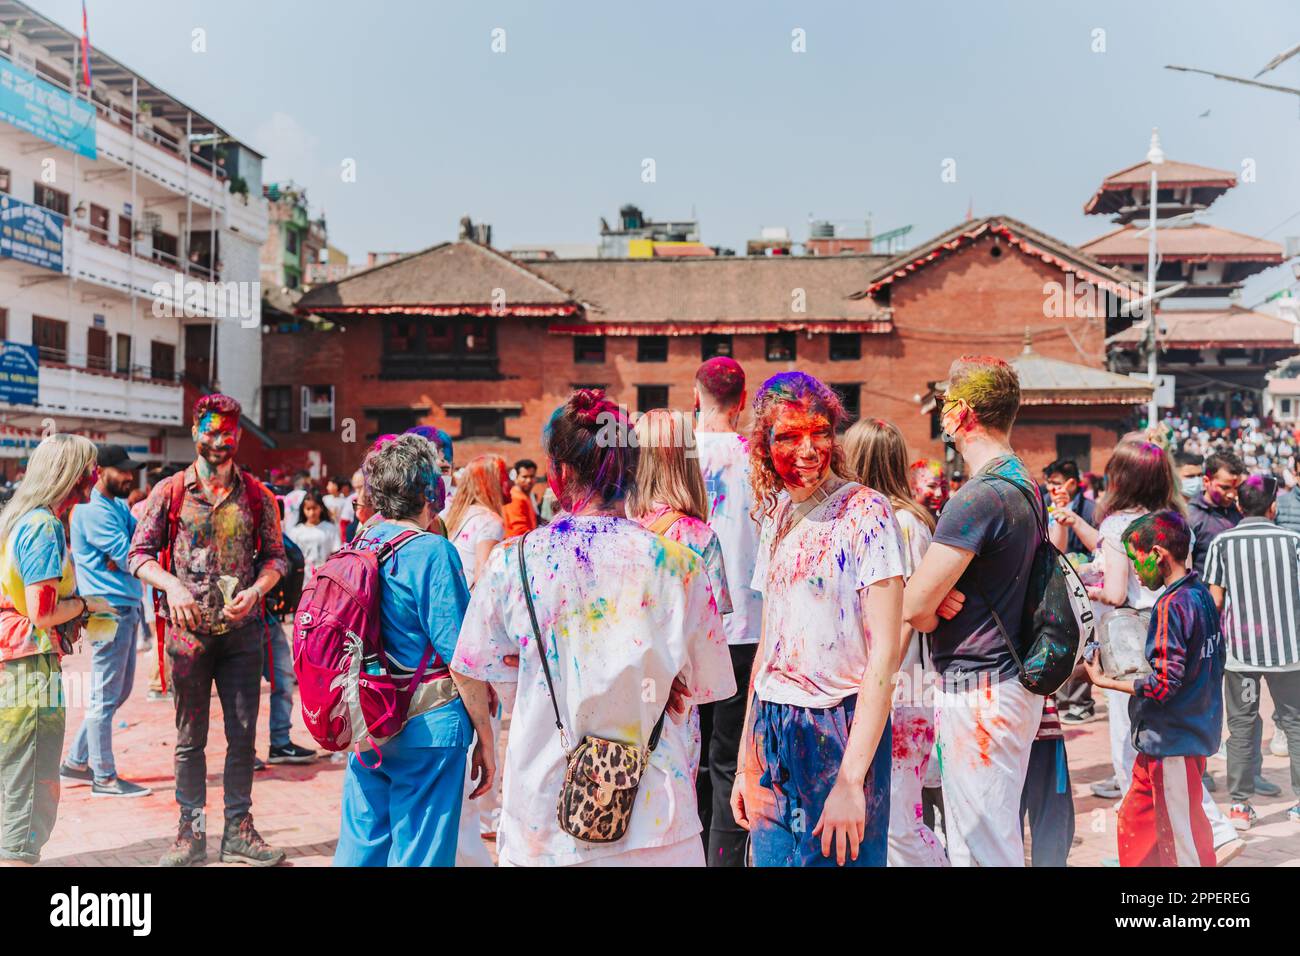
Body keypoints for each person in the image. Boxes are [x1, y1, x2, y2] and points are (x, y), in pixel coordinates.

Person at [453, 389, 733, 866]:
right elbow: (707, 685)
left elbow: (469, 668)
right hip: (657, 815)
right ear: (631, 470)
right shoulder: (681, 565)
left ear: (558, 472)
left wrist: (487, 738)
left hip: (543, 813)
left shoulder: (511, 563)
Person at [732, 373, 904, 867]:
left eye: (820, 431)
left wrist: (851, 780)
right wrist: (749, 759)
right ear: (764, 444)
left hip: (838, 726)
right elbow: (769, 646)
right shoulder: (778, 515)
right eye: (788, 436)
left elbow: (886, 656)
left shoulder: (865, 513)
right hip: (773, 725)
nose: (807, 449)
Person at [130, 394, 289, 867]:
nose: (220, 441)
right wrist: (172, 587)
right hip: (188, 636)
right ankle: (190, 834)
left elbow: (277, 556)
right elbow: (137, 554)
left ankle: (238, 831)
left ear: (239, 435)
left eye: (229, 432)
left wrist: (258, 590)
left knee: (243, 738)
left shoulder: (258, 494)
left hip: (243, 635)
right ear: (195, 431)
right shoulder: (170, 491)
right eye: (211, 431)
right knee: (189, 740)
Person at [902, 355, 1044, 867]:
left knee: (982, 845)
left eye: (944, 404)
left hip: (981, 687)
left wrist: (932, 602)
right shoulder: (1023, 483)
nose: (940, 414)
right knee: (981, 837)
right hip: (1006, 683)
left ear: (962, 412)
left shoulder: (978, 497)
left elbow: (914, 605)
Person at [334, 434, 496, 867]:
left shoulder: (355, 547)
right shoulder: (432, 552)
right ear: (429, 493)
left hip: (366, 720)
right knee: (420, 853)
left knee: (362, 845)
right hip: (427, 727)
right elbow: (462, 659)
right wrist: (486, 735)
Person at [1086, 510, 1224, 867]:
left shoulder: (1170, 606)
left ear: (1158, 555)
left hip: (1172, 738)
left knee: (1183, 836)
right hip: (1186, 730)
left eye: (1135, 560)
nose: (1133, 569)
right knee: (1139, 817)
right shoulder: (1201, 595)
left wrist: (1107, 682)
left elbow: (1165, 683)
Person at [843, 417, 948, 867]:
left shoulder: (902, 523)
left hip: (899, 690)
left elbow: (908, 615)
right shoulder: (886, 519)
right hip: (884, 686)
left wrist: (880, 684)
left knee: (901, 823)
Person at [628, 406, 734, 848]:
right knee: (669, 824)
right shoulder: (699, 538)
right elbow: (710, 632)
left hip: (608, 698)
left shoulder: (608, 527)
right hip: (673, 708)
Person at [1054, 440, 1182, 800]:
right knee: (1163, 723)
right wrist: (1078, 522)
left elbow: (1113, 593)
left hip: (1131, 637)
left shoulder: (1116, 523)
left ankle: (1136, 810)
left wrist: (1083, 589)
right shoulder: (1170, 520)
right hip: (1170, 626)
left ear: (1123, 479)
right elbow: (1117, 551)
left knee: (1127, 728)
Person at [0, 435, 105, 866]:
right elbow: (43, 612)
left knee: (13, 776)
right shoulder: (42, 525)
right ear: (71, 475)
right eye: (89, 468)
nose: (95, 478)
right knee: (31, 785)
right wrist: (84, 604)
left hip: (11, 661)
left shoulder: (15, 518)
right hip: (30, 669)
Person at [692, 356, 764, 867]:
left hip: (690, 626)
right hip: (750, 627)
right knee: (730, 762)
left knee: (684, 752)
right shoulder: (760, 457)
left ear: (696, 396)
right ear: (742, 401)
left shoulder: (674, 452)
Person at [1203, 475, 1300, 829]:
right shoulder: (1294, 541)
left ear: (1239, 506)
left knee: (1241, 725)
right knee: (1295, 724)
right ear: (1273, 506)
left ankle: (1240, 807)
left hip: (1240, 655)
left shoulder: (1222, 543)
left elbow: (1215, 601)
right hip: (1289, 654)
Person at [59, 445, 151, 798]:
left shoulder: (114, 504)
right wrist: (130, 552)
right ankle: (105, 777)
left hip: (123, 606)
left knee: (118, 692)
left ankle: (77, 761)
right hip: (107, 609)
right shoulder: (93, 509)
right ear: (100, 471)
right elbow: (132, 555)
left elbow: (142, 541)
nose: (129, 477)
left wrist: (134, 549)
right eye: (122, 471)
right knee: (103, 696)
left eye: (131, 471)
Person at [445, 455, 509, 590]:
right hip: (471, 606)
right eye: (505, 476)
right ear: (490, 483)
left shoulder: (461, 514)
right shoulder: (490, 521)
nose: (510, 482)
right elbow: (484, 579)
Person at [1187, 451, 1245, 576]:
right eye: (1225, 488)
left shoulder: (1241, 512)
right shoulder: (1190, 516)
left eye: (1237, 488)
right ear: (1206, 481)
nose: (1232, 495)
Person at [1044, 458, 1096, 558]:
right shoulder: (1041, 504)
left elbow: (1097, 551)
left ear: (1072, 484)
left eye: (1056, 483)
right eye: (1049, 482)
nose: (1050, 488)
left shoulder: (1090, 510)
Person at [287, 490, 340, 578]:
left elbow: (336, 553)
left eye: (314, 508)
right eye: (308, 509)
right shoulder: (296, 531)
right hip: (302, 579)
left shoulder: (330, 529)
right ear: (303, 509)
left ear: (321, 508)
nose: (311, 513)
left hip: (325, 576)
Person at [502, 459, 539, 539]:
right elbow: (519, 530)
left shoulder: (525, 495)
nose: (529, 480)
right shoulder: (515, 497)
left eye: (532, 476)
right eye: (524, 477)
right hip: (518, 545)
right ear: (516, 478)